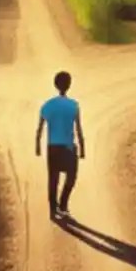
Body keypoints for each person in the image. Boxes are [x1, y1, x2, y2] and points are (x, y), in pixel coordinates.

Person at [36, 70, 85, 220]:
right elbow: (78, 129)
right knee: (71, 177)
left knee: (53, 178)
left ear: (55, 85)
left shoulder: (47, 105)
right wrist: (83, 147)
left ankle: (53, 208)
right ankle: (63, 203)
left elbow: (40, 128)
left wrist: (37, 145)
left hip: (53, 147)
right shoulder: (74, 105)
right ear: (69, 85)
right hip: (69, 147)